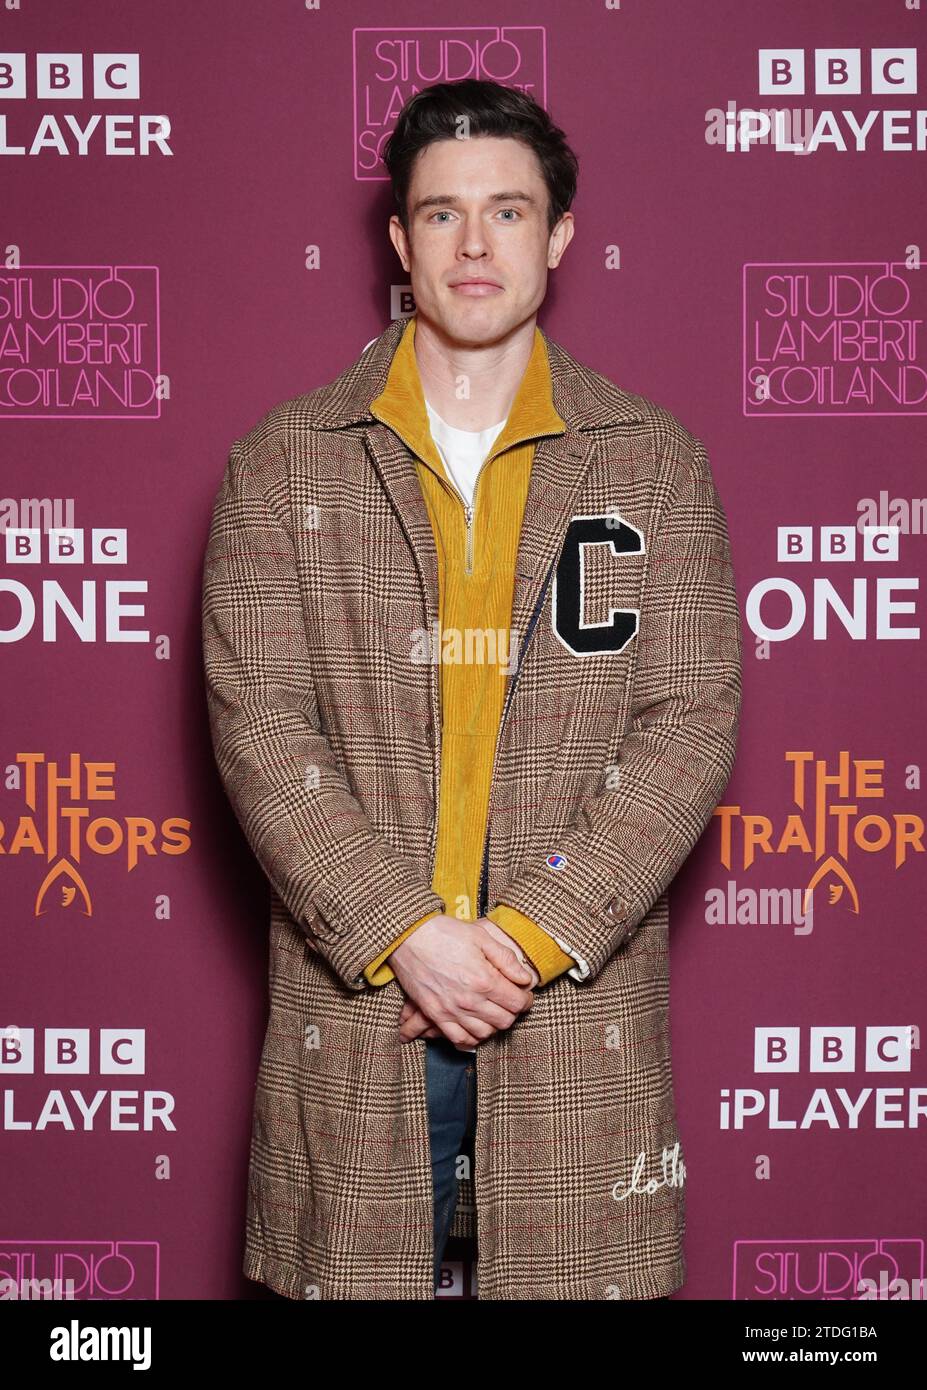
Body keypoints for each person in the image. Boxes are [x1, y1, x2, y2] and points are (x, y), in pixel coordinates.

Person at [201, 78, 742, 1301]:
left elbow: (690, 721)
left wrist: (520, 942)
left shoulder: (655, 462)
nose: (476, 243)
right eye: (442, 215)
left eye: (508, 211)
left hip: (567, 1013)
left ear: (558, 236)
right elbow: (262, 726)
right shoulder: (282, 462)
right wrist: (407, 934)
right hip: (363, 1014)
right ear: (399, 241)